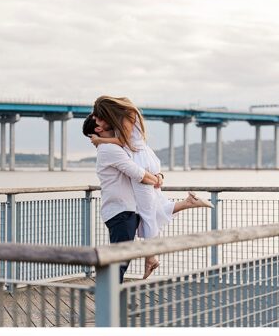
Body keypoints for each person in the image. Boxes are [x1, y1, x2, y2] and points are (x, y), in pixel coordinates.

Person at [89, 95, 211, 278]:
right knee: (154, 207)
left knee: (147, 214)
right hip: (147, 158)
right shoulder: (128, 115)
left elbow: (124, 143)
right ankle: (188, 203)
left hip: (140, 161)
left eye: (99, 116)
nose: (97, 120)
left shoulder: (124, 121)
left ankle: (151, 258)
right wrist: (158, 177)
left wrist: (100, 141)